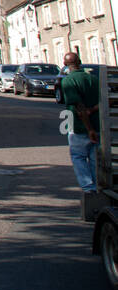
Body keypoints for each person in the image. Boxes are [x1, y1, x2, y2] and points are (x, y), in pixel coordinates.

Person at [59, 52, 100, 192]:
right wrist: (93, 110)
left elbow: (79, 106)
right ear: (80, 62)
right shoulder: (93, 79)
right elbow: (103, 102)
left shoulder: (68, 81)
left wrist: (89, 129)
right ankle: (98, 186)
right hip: (97, 123)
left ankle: (88, 188)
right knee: (95, 159)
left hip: (79, 126)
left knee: (78, 156)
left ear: (64, 65)